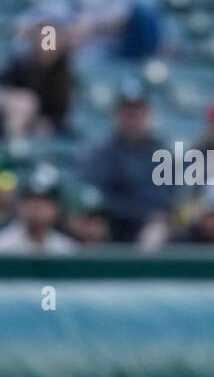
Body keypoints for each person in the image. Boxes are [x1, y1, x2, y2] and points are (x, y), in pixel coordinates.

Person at [80, 79, 171, 243]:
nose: (133, 117)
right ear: (116, 114)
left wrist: (156, 220)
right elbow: (98, 199)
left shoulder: (161, 152)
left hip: (153, 230)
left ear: (147, 113)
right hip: (113, 228)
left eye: (137, 110)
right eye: (127, 111)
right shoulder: (101, 154)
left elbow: (167, 198)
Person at [0, 174, 77, 254]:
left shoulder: (67, 249)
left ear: (56, 209)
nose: (36, 208)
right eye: (30, 201)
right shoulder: (3, 245)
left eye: (44, 203)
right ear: (19, 206)